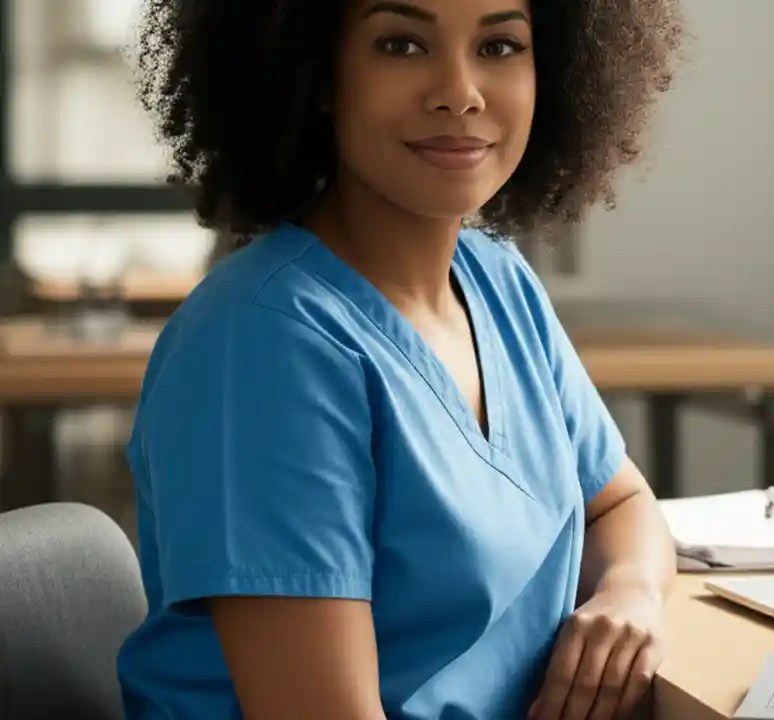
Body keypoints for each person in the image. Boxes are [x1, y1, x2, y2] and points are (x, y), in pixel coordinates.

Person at [117, 1, 684, 718]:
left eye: (501, 46)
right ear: (319, 75)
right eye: (401, 44)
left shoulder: (497, 281)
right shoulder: (263, 346)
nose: (461, 91)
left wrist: (629, 593)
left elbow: (622, 504)